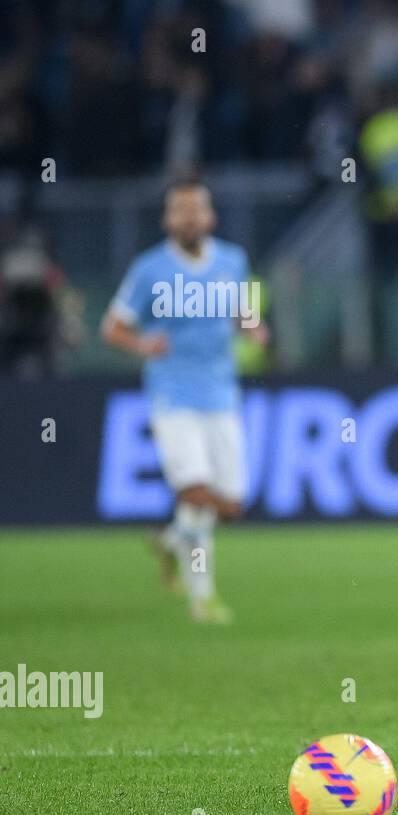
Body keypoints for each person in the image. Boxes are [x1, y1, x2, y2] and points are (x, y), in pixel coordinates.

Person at [101, 179, 266, 622]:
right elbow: (112, 326)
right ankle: (202, 597)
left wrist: (253, 327)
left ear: (209, 217)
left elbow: (243, 309)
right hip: (172, 394)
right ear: (167, 219)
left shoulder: (232, 261)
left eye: (196, 210)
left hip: (221, 393)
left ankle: (173, 539)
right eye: (180, 211)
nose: (189, 218)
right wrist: (141, 346)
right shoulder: (150, 269)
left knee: (230, 504)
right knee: (195, 491)